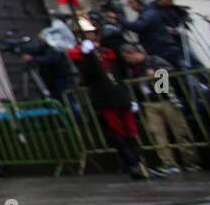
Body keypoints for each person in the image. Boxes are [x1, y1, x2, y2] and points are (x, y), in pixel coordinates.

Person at [69, 21, 152, 180]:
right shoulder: (79, 53)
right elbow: (88, 75)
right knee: (118, 131)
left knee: (131, 130)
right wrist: (87, 56)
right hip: (104, 96)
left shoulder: (106, 52)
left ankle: (141, 162)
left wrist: (126, 94)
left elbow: (115, 72)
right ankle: (131, 163)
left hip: (119, 93)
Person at [119, 43, 197, 174]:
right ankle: (168, 163)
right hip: (149, 102)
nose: (128, 60)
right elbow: (133, 84)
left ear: (133, 53)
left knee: (180, 131)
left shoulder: (153, 60)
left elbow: (170, 70)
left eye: (128, 57)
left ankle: (191, 161)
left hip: (166, 98)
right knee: (157, 133)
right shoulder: (132, 69)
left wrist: (157, 74)